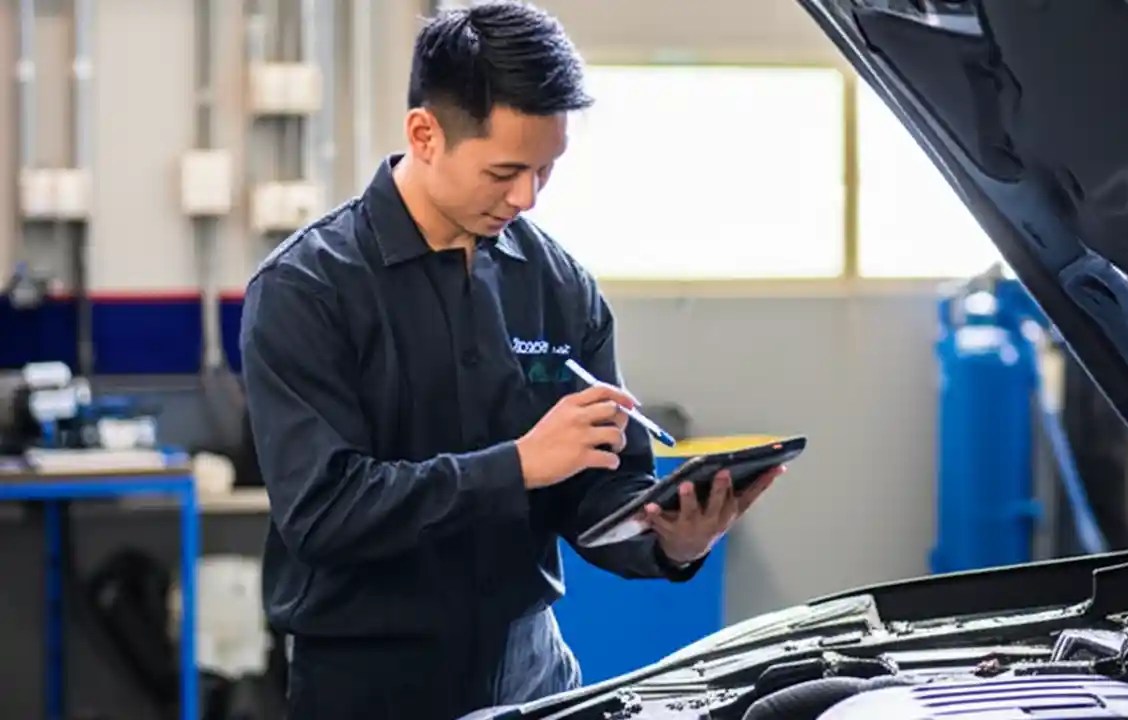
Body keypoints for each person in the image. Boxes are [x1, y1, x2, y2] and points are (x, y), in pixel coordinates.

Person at [238, 2, 783, 718]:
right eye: (504, 171)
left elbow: (596, 490)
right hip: (369, 682)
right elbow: (325, 512)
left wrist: (671, 540)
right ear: (424, 135)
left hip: (532, 676)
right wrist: (518, 465)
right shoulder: (308, 289)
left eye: (546, 170)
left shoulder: (559, 286)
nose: (525, 197)